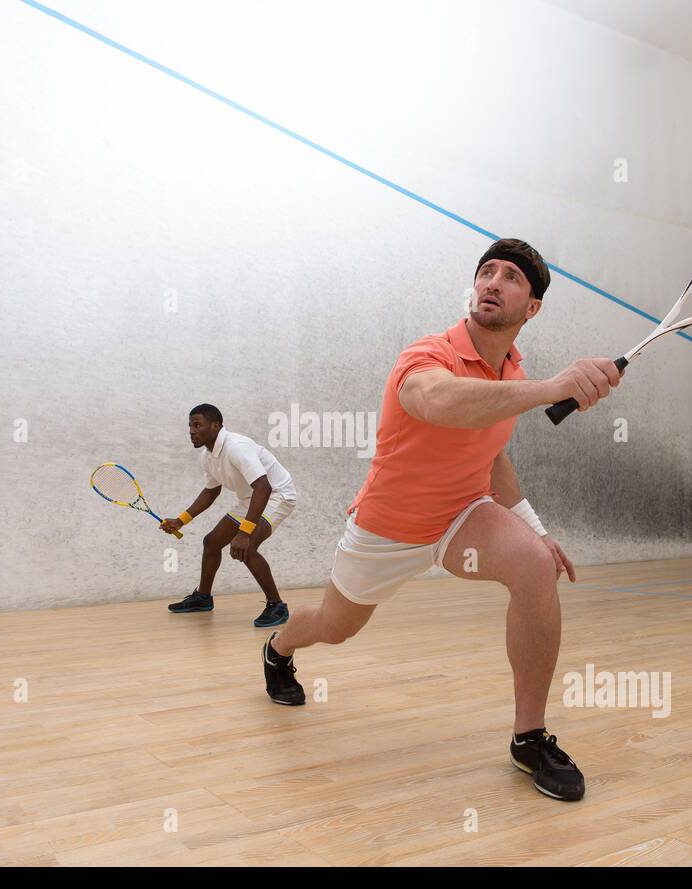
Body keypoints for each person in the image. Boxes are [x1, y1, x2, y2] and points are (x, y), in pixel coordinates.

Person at [259, 239, 622, 801]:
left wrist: (537, 530)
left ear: (532, 308)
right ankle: (279, 649)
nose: (493, 282)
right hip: (388, 527)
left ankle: (529, 737)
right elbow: (440, 402)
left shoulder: (513, 370)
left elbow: (492, 453)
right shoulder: (428, 354)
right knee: (336, 627)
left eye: (510, 278)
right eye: (486, 272)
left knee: (533, 566)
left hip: (462, 519)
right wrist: (551, 389)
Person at [162, 404, 298, 628]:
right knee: (212, 542)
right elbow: (211, 491)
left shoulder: (237, 447)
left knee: (248, 546)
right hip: (251, 499)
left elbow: (263, 487)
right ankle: (203, 598)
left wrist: (244, 532)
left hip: (277, 495)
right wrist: (181, 520)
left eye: (197, 425)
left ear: (216, 426)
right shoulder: (207, 456)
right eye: (190, 426)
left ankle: (277, 606)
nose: (192, 431)